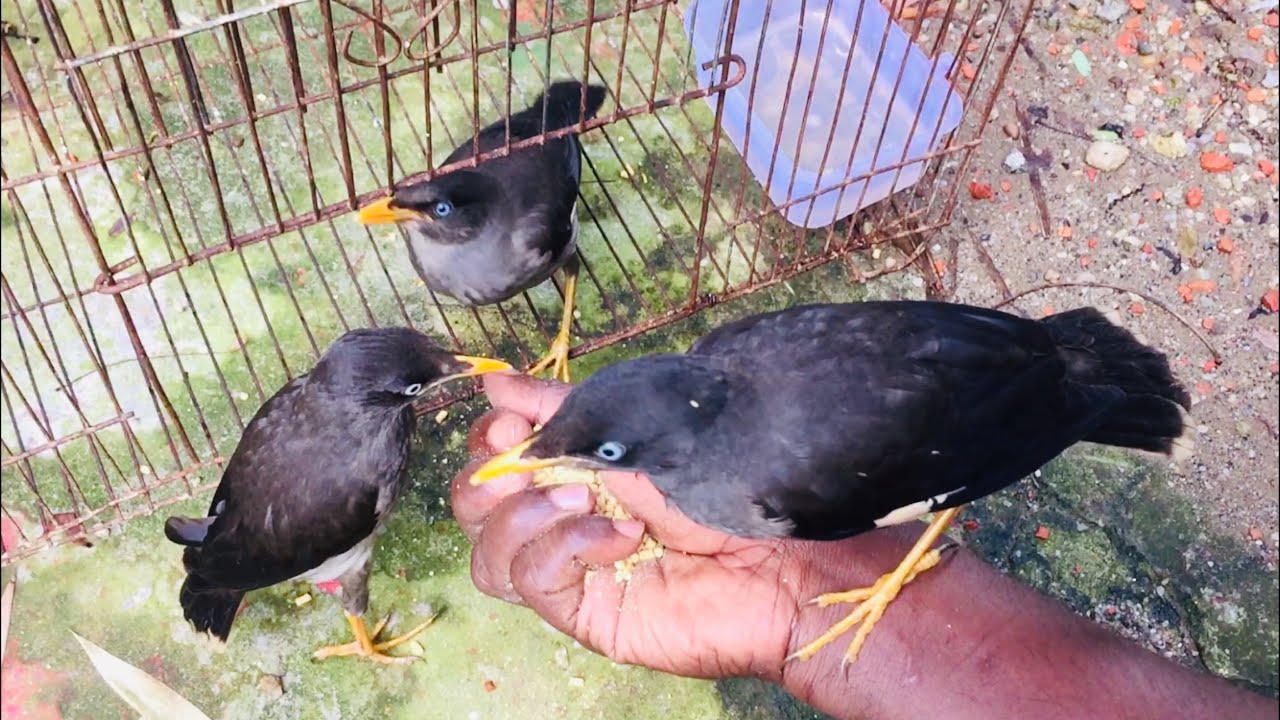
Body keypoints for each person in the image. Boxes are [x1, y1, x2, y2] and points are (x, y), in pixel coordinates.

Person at [450, 373, 1278, 720]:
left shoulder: (788, 482)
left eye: (601, 457)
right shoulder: (722, 401)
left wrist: (892, 591)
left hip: (985, 414)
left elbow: (947, 487)